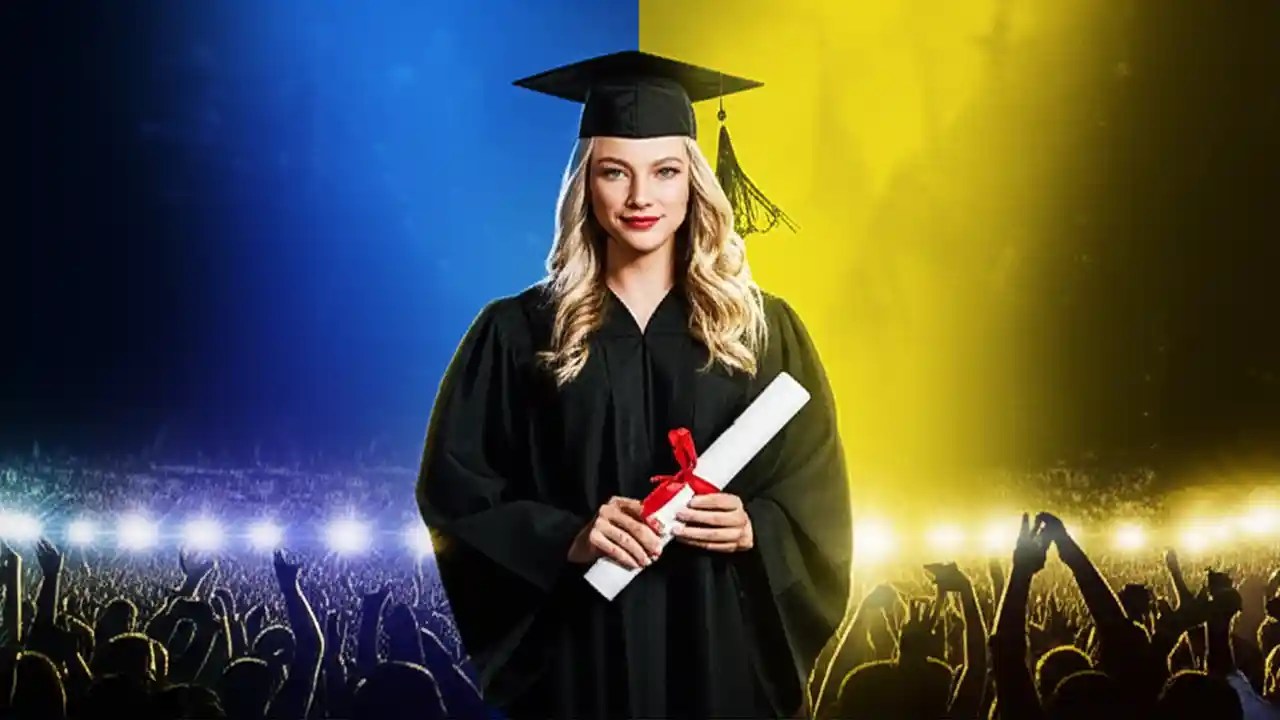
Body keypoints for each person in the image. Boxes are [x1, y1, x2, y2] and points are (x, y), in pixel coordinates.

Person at [416, 49, 853, 719]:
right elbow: (457, 493)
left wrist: (754, 526)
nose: (641, 197)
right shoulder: (517, 334)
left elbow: (814, 490)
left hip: (719, 651)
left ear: (695, 184)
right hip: (580, 658)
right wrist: (568, 536)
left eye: (665, 172)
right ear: (584, 184)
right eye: (614, 172)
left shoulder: (765, 333)